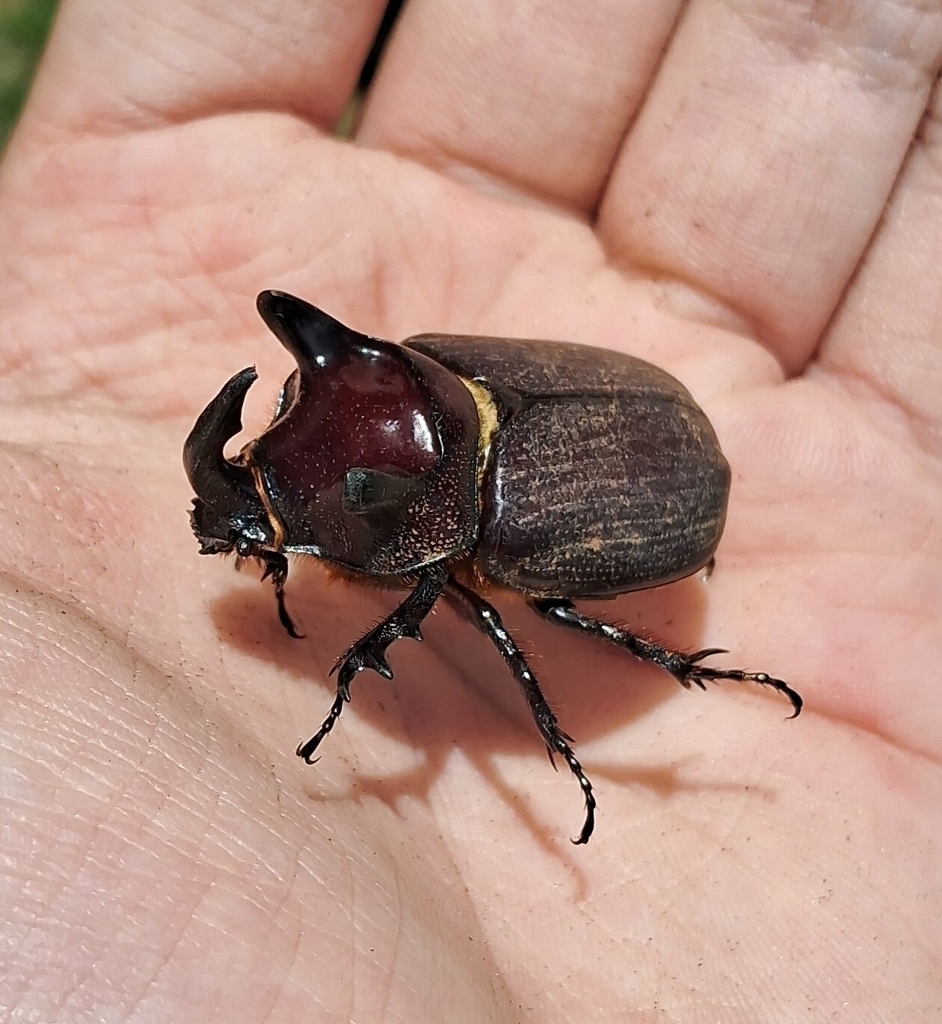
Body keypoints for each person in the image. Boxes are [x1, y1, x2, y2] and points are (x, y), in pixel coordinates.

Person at [1, 2, 939, 1020]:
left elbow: (460, 614)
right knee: (494, 613)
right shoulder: (431, 366)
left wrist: (368, 647)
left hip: (638, 487)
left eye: (281, 526)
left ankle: (672, 675)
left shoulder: (471, 513)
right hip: (627, 411)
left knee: (529, 618)